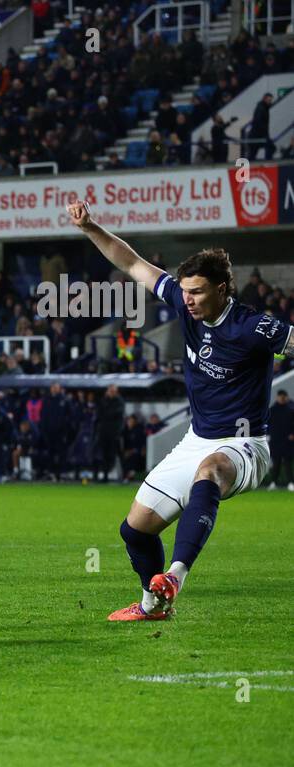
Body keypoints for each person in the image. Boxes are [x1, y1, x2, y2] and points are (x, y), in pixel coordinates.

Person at [70, 200, 294, 621]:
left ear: (222, 290)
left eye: (197, 292)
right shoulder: (181, 298)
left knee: (209, 471)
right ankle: (153, 604)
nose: (186, 300)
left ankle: (175, 576)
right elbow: (131, 262)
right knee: (134, 530)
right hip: (197, 439)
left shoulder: (252, 327)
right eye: (185, 291)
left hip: (245, 444)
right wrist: (90, 228)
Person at [269, 389, 294, 491]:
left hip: (288, 440)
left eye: (284, 396)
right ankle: (273, 482)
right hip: (276, 440)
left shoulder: (291, 410)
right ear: (278, 397)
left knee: (288, 463)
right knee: (276, 463)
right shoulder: (272, 410)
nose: (282, 398)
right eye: (281, 396)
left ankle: (291, 483)